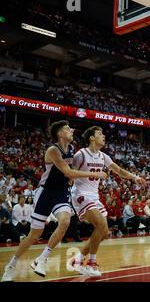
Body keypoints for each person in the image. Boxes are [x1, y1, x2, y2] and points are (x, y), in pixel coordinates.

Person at [2, 120, 107, 282]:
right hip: (45, 193)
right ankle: (11, 265)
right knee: (33, 235)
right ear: (59, 133)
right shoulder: (53, 150)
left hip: (61, 193)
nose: (71, 129)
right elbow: (67, 171)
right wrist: (96, 175)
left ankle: (42, 259)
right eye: (67, 128)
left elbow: (71, 174)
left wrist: (73, 182)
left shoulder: (71, 149)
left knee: (64, 221)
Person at [69, 126, 147, 277]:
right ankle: (92, 263)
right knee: (101, 225)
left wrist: (135, 177)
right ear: (91, 138)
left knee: (104, 232)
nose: (103, 136)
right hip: (80, 194)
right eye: (100, 134)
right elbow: (70, 174)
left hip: (94, 196)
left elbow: (119, 171)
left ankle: (77, 260)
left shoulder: (103, 156)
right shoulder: (81, 154)